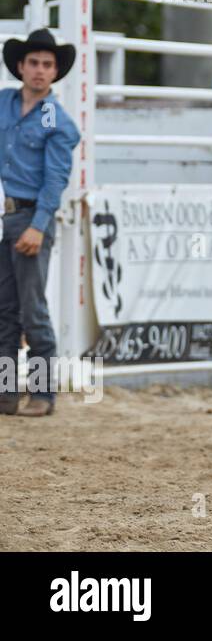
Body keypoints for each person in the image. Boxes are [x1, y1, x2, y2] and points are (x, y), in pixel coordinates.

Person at [0, 29, 82, 417]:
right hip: (6, 214)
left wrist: (39, 223)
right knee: (5, 308)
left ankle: (44, 393)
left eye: (47, 64)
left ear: (54, 72)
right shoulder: (4, 103)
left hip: (31, 216)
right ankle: (5, 391)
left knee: (31, 309)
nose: (39, 70)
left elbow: (55, 179)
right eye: (33, 62)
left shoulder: (56, 120)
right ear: (20, 66)